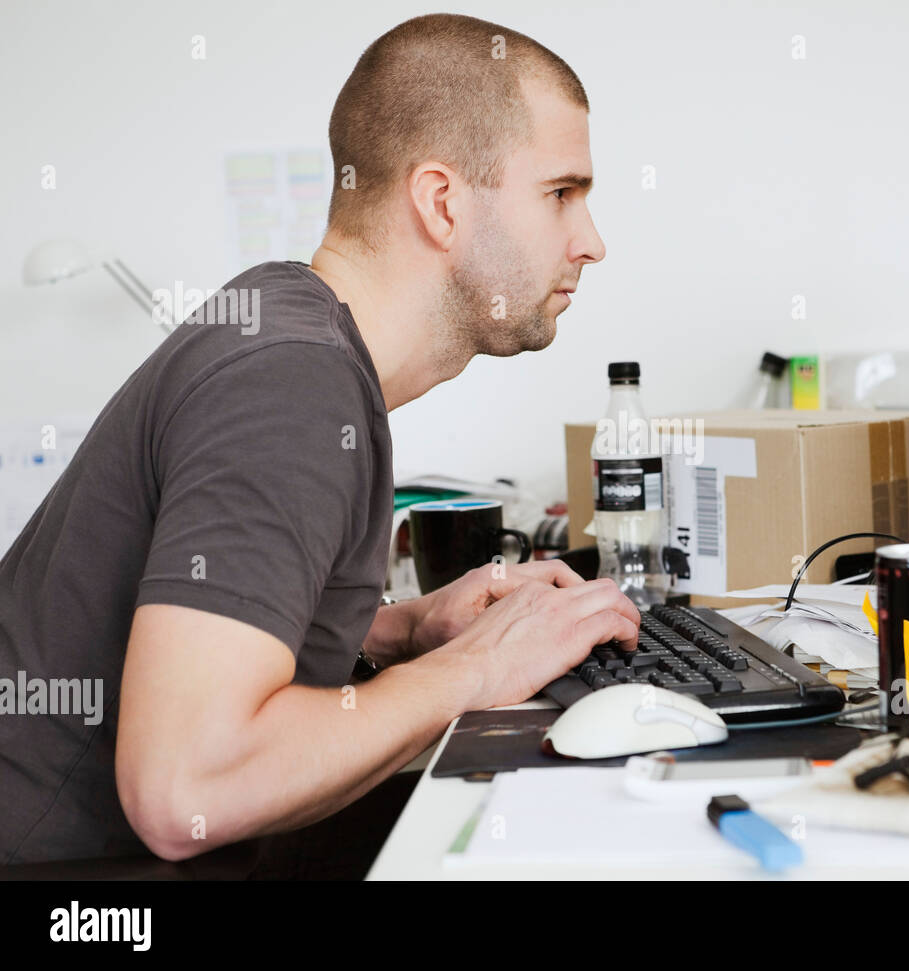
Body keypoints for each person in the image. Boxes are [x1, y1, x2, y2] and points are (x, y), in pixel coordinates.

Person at [0, 12, 637, 871]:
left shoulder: (284, 319)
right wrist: (481, 667)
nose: (590, 242)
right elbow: (183, 788)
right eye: (562, 192)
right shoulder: (292, 385)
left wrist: (395, 631)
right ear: (443, 203)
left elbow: (205, 625)